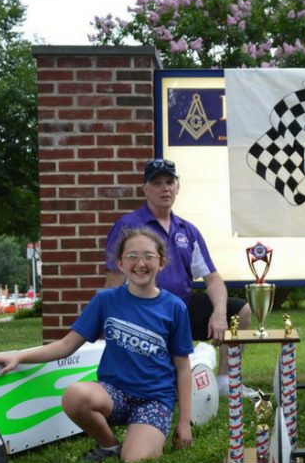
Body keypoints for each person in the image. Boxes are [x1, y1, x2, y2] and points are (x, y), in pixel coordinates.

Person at [0, 228, 193, 463]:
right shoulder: (105, 300)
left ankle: (141, 437)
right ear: (120, 263)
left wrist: (183, 423)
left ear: (161, 262)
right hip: (115, 394)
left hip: (154, 399)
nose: (140, 263)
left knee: (135, 460)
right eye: (132, 256)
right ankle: (109, 446)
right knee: (75, 395)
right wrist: (18, 355)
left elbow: (182, 367)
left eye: (148, 256)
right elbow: (66, 345)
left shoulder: (174, 307)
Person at [105, 158, 250, 392]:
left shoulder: (188, 230)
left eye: (170, 182)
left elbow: (212, 278)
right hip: (145, 313)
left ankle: (226, 382)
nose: (165, 188)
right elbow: (113, 281)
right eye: (157, 183)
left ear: (178, 187)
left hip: (181, 310)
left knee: (239, 310)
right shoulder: (128, 226)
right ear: (145, 190)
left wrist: (220, 313)